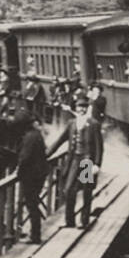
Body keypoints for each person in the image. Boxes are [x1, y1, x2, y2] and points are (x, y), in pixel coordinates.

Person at [53, 98, 104, 229]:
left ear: (87, 108)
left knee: (87, 190)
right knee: (69, 189)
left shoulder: (93, 124)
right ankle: (69, 221)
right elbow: (60, 140)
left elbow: (99, 146)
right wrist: (47, 154)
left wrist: (97, 164)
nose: (81, 109)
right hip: (74, 159)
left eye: (83, 107)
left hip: (87, 161)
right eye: (79, 107)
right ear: (75, 108)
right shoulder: (72, 123)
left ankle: (84, 220)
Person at [14, 110, 49, 244]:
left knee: (31, 204)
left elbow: (25, 158)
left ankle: (35, 235)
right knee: (33, 203)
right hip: (40, 173)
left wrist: (18, 171)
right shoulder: (36, 135)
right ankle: (35, 233)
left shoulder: (29, 137)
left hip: (32, 175)